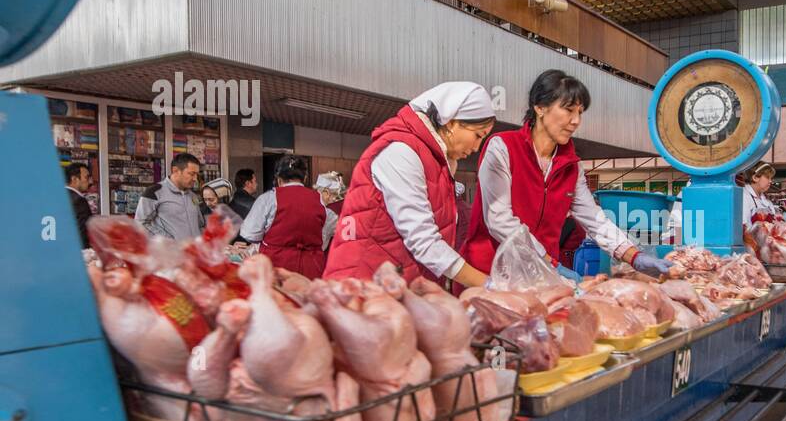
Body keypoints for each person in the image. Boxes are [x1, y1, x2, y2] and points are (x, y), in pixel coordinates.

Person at [461, 69, 673, 281]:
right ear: (540, 107)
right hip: (489, 273)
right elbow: (499, 220)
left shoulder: (572, 166)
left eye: (580, 112)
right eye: (569, 110)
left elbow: (594, 219)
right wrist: (548, 261)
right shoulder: (503, 148)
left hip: (540, 277)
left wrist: (634, 256)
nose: (576, 121)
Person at [325, 82, 495, 286]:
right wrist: (489, 286)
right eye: (478, 135)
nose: (477, 147)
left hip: (395, 286)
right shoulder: (401, 152)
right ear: (452, 123)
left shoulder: (440, 163)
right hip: (362, 286)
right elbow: (424, 241)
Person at [240, 155, 334, 278]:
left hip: (276, 270)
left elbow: (249, 233)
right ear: (304, 178)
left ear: (279, 179)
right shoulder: (320, 200)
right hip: (311, 270)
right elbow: (326, 234)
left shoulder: (268, 199)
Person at [136, 152, 204, 240]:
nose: (195, 179)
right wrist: (166, 240)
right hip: (170, 252)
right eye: (191, 174)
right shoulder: (154, 192)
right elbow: (140, 223)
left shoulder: (193, 196)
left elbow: (200, 224)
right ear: (175, 170)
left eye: (196, 175)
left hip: (194, 251)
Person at [64, 162, 94, 249]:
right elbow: (82, 234)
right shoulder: (79, 200)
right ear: (74, 179)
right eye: (86, 177)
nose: (90, 181)